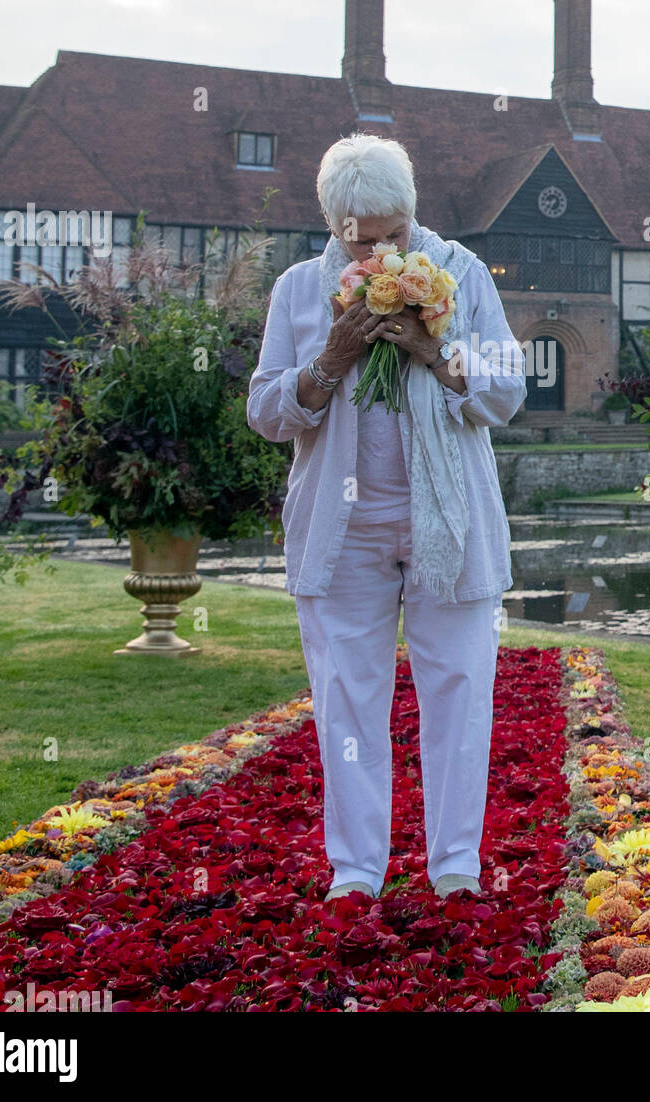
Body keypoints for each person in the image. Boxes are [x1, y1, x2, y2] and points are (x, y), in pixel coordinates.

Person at [246, 132, 528, 901]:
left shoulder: (463, 273)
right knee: (345, 696)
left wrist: (437, 353)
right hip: (341, 531)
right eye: (361, 240)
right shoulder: (300, 290)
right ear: (334, 226)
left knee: (461, 693)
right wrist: (330, 360)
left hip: (450, 521)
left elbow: (505, 393)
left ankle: (455, 868)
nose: (379, 253)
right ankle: (357, 872)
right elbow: (267, 413)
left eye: (394, 235)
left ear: (412, 214)